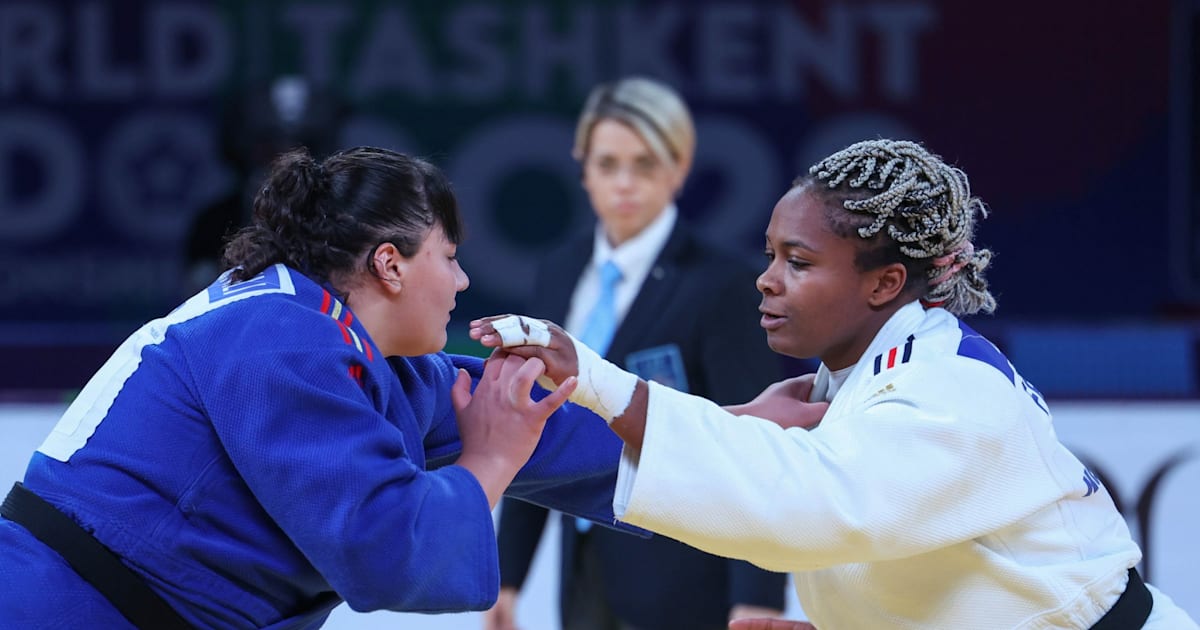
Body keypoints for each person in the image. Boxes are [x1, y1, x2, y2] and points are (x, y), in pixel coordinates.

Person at [471, 139, 1200, 629]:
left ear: (884, 283)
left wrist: (601, 381)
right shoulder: (846, 385)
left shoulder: (949, 391)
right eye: (769, 255)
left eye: (798, 262)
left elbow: (803, 508)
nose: (767, 280)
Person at [0, 146, 644, 629]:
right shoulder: (276, 334)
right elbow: (383, 550)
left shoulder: (365, 356)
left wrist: (688, 434)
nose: (463, 281)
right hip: (59, 607)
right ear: (390, 264)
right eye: (449, 257)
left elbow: (552, 428)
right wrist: (490, 460)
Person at [485, 77, 788, 630]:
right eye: (607, 164)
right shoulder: (560, 271)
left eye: (644, 164)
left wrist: (760, 592)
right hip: (583, 572)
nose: (624, 183)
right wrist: (508, 577)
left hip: (686, 579)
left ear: (679, 167)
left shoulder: (722, 284)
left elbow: (754, 443)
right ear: (583, 168)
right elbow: (537, 422)